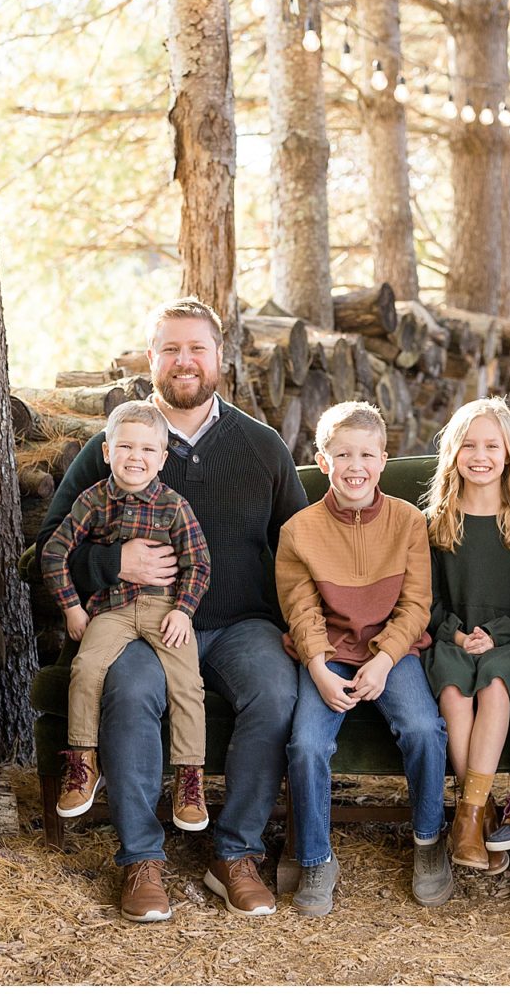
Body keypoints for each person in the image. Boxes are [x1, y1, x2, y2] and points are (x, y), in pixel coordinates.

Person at [35, 298, 308, 924]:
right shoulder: (116, 442)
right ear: (151, 358)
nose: (184, 361)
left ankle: (235, 855)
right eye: (170, 349)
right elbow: (43, 551)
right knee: (128, 691)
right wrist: (112, 565)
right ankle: (141, 860)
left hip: (242, 625)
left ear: (220, 358)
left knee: (273, 691)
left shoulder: (262, 446)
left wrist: (303, 627)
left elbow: (300, 547)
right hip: (139, 620)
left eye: (197, 349)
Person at [276, 401, 452, 916]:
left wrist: (384, 660)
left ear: (383, 459)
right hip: (327, 654)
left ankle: (428, 840)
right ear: (323, 459)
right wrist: (317, 668)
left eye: (366, 455)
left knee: (423, 728)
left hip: (391, 653)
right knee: (307, 743)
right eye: (342, 454)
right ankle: (315, 857)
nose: (355, 466)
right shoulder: (299, 531)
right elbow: (301, 611)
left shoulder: (408, 523)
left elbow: (416, 605)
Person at [39, 400, 212, 834]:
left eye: (148, 450)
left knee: (187, 683)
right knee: (85, 668)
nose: (136, 457)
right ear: (106, 452)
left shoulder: (174, 506)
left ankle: (189, 778)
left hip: (163, 608)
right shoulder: (92, 501)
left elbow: (199, 565)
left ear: (163, 458)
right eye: (126, 447)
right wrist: (72, 608)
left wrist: (184, 611)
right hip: (109, 609)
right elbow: (53, 553)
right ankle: (82, 763)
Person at [420, 398, 510, 874]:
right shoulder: (436, 525)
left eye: (491, 445)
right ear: (453, 454)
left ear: (509, 454)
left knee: (495, 688)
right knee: (456, 694)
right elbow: (426, 600)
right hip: (450, 640)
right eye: (469, 445)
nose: (480, 456)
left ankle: (468, 818)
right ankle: (476, 813)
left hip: (509, 645)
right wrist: (455, 636)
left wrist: (494, 635)